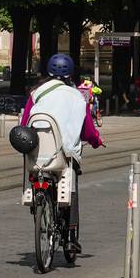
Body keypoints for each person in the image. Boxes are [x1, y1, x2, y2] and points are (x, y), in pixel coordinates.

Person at [20, 53, 103, 250]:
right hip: (63, 155)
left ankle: (38, 207)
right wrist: (96, 141)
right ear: (70, 74)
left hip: (36, 154)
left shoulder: (36, 93)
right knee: (70, 185)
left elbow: (24, 124)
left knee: (34, 176)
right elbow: (88, 130)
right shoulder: (77, 97)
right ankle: (70, 237)